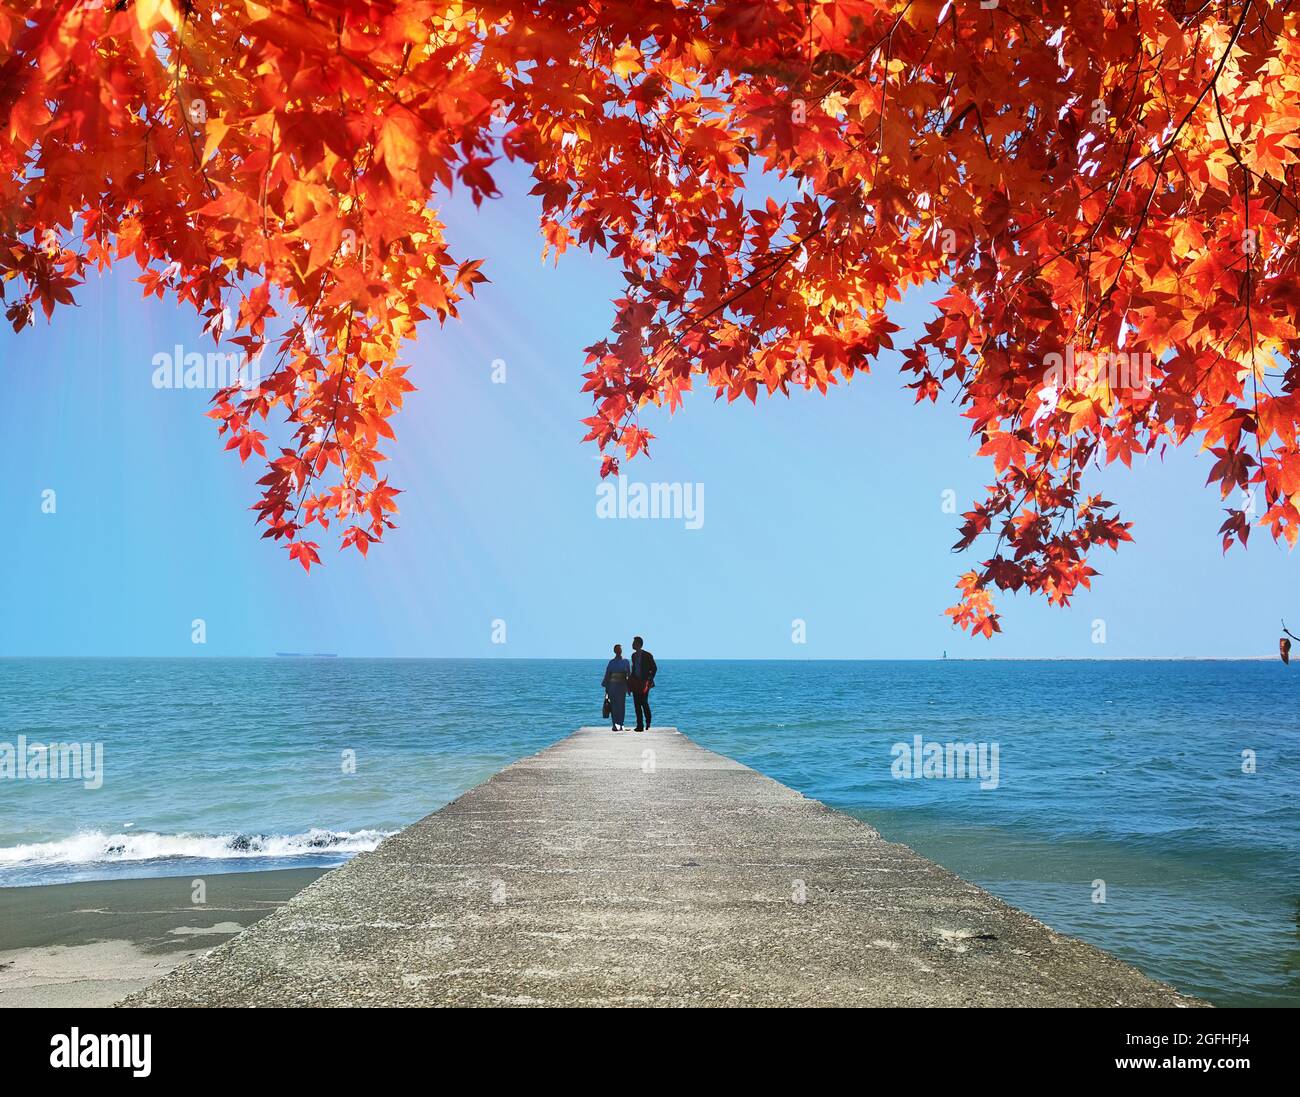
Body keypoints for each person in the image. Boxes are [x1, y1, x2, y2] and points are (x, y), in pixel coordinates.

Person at [628, 636, 657, 733]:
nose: (632, 644)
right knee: (637, 705)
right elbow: (634, 669)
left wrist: (650, 679)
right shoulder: (633, 656)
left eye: (634, 643)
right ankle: (639, 725)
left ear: (639, 644)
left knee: (644, 703)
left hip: (645, 683)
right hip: (635, 682)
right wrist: (630, 683)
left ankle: (648, 722)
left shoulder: (647, 655)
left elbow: (654, 668)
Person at [602, 643, 631, 731]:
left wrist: (629, 687)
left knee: (621, 706)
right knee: (613, 706)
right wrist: (606, 688)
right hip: (612, 686)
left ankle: (621, 724)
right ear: (614, 651)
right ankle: (615, 724)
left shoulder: (626, 661)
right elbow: (607, 675)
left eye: (620, 649)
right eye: (617, 649)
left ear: (621, 651)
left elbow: (629, 675)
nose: (619, 651)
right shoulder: (611, 662)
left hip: (622, 686)